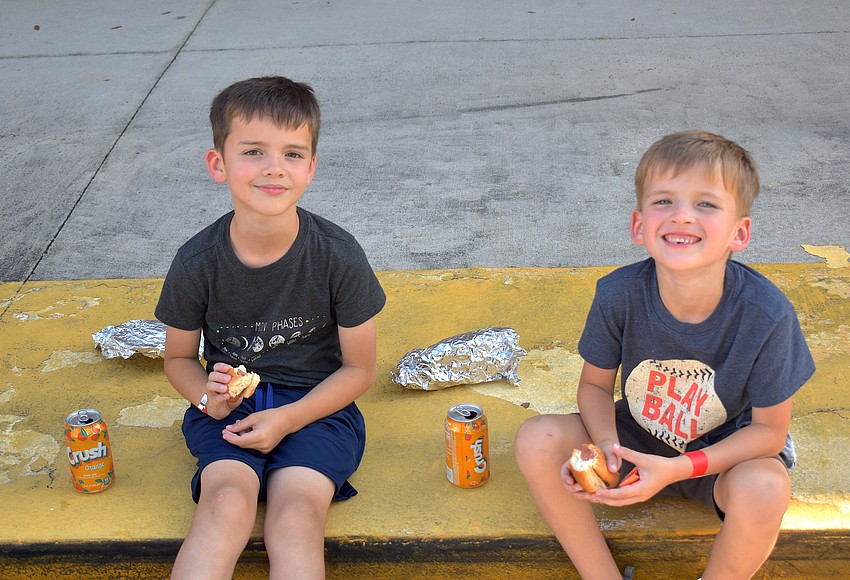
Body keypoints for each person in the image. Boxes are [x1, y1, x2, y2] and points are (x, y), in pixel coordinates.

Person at [514, 131, 814, 580]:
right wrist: (608, 449)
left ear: (740, 232)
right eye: (664, 202)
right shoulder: (618, 294)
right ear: (639, 225)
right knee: (537, 439)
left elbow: (770, 433)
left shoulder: (766, 314)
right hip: (637, 441)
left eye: (706, 204)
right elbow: (594, 386)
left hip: (723, 455)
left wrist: (679, 468)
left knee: (767, 488)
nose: (682, 216)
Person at [155, 76, 386, 580]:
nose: (274, 168)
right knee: (224, 502)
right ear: (219, 164)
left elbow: (360, 368)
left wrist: (290, 418)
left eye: (293, 153)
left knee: (296, 516)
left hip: (319, 406)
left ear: (312, 167)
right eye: (254, 151)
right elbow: (178, 359)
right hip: (230, 410)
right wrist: (206, 400)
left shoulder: (338, 256)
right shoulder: (197, 261)